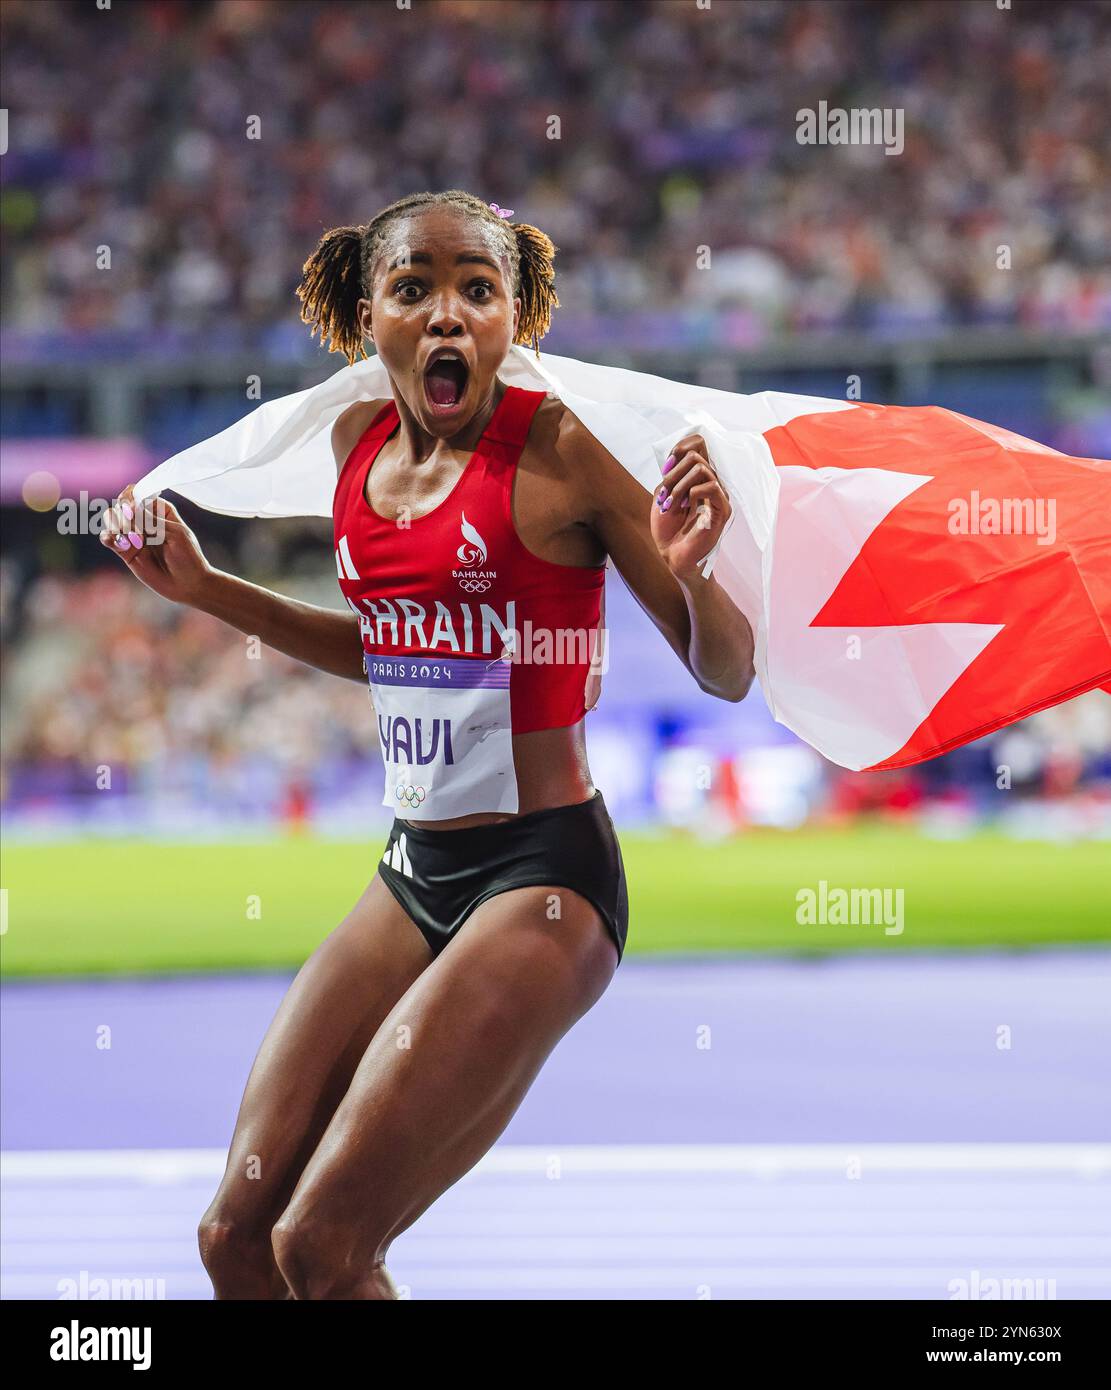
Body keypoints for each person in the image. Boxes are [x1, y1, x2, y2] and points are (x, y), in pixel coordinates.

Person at [102, 189, 754, 1300]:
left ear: (516, 319)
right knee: (235, 1240)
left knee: (323, 1248)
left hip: (544, 876)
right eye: (413, 288)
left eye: (476, 289)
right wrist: (213, 594)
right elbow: (388, 647)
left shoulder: (560, 454)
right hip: (413, 870)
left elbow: (725, 670)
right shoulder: (356, 449)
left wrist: (692, 567)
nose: (447, 315)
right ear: (369, 318)